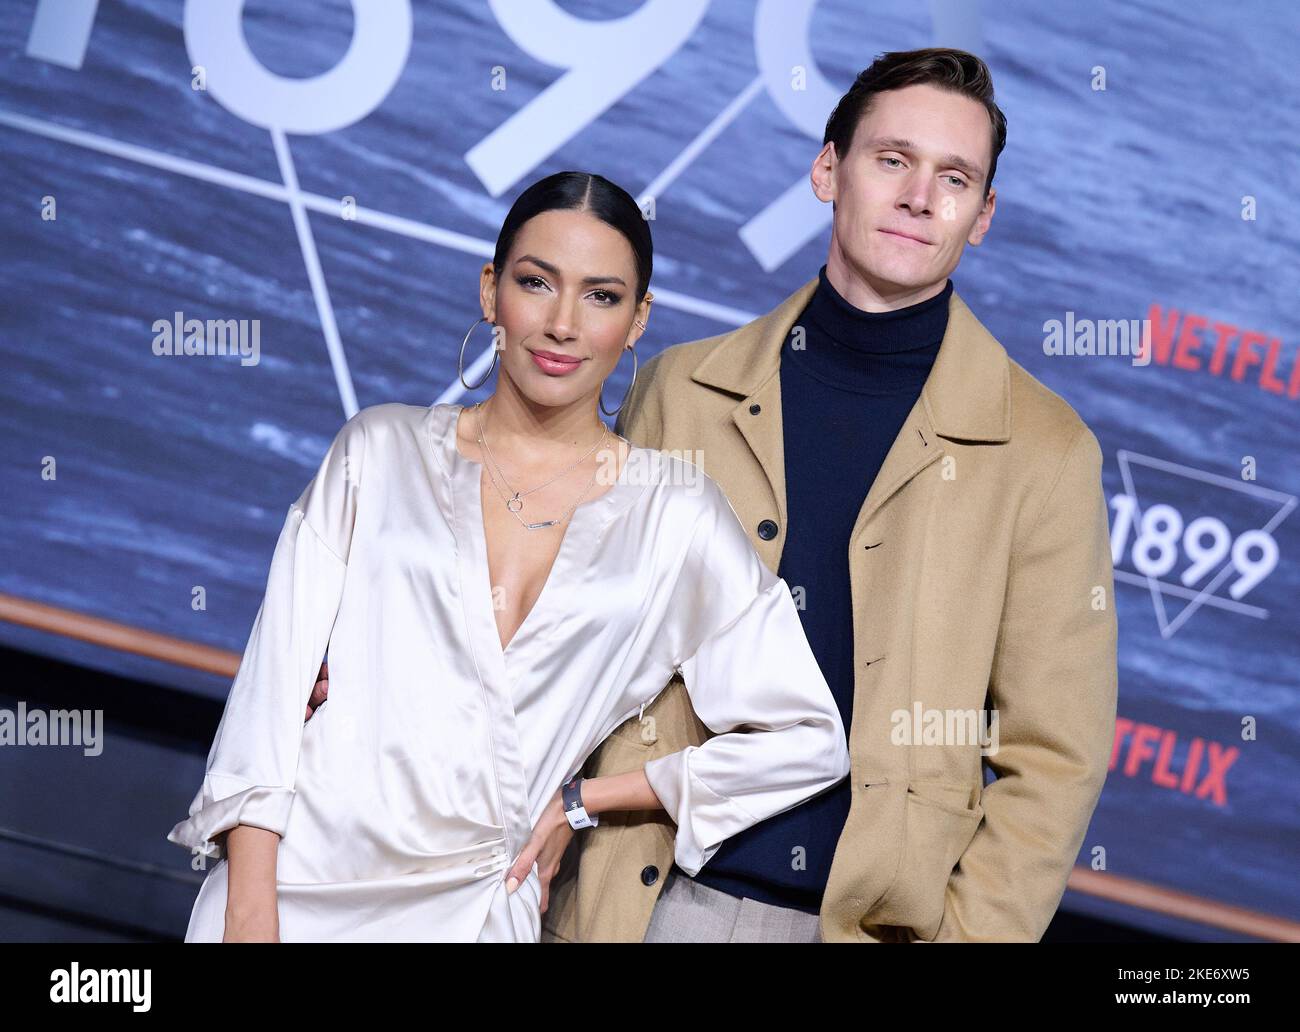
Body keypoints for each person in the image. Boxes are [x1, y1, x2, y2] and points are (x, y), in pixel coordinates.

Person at [166, 171, 851, 942]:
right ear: (491, 291)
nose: (562, 324)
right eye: (536, 283)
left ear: (637, 319)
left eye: (601, 296)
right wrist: (250, 912)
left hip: (484, 905)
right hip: (295, 887)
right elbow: (269, 700)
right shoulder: (377, 451)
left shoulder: (676, 518)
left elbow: (807, 739)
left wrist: (590, 799)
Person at [537, 48, 1119, 943]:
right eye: (892, 160)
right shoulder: (680, 392)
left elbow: (1055, 756)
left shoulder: (1043, 453)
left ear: (983, 214)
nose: (920, 196)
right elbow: (576, 641)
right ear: (827, 170)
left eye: (953, 177)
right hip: (637, 905)